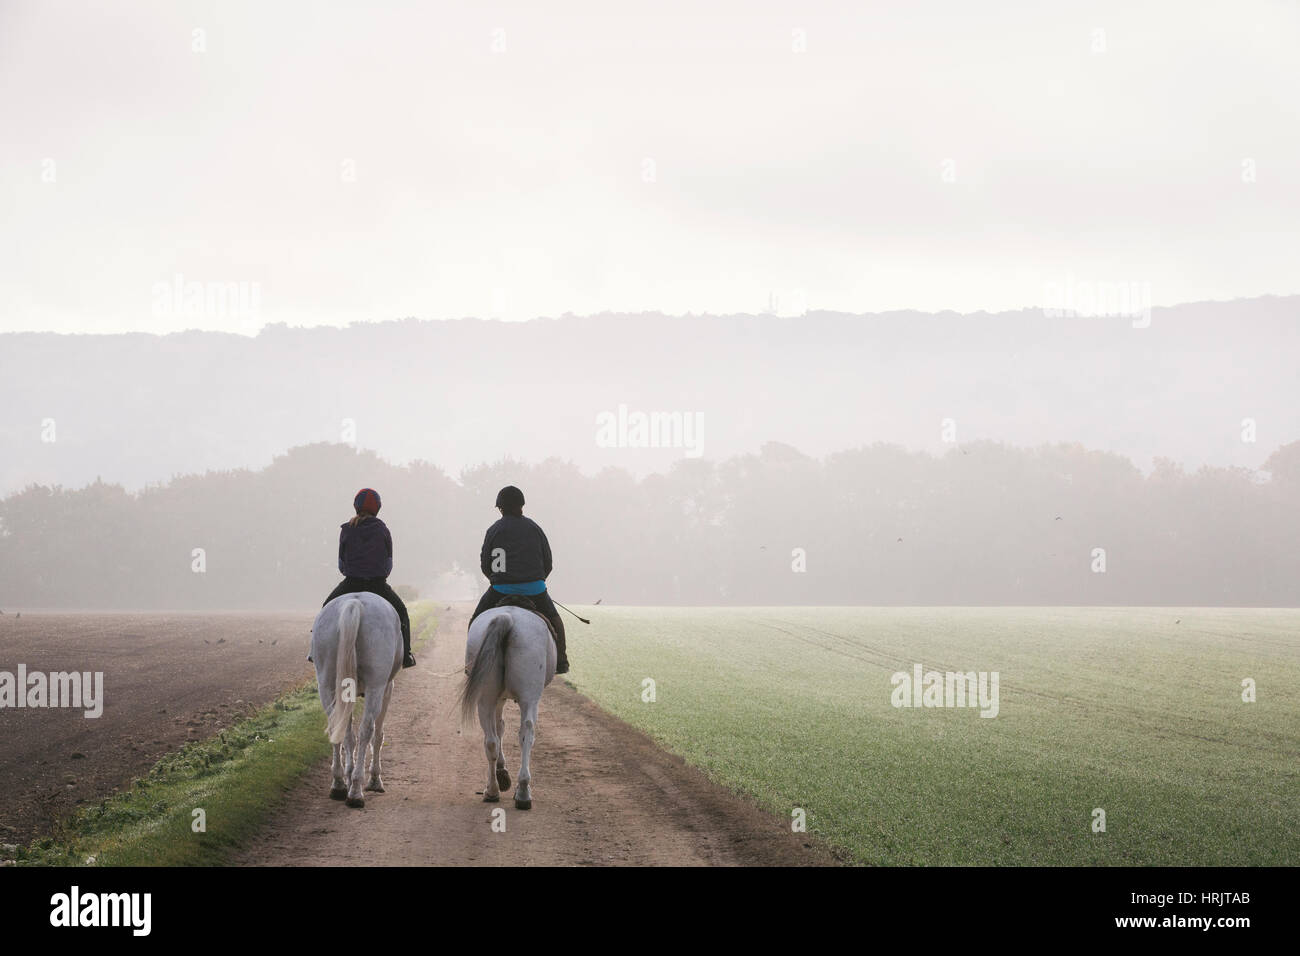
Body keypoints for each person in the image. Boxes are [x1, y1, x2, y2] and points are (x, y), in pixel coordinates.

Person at [470, 485, 569, 673]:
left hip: (500, 590)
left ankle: (472, 663)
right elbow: (548, 563)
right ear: (521, 505)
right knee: (556, 622)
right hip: (535, 590)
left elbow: (485, 564)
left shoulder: (494, 530)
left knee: (475, 620)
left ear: (501, 508)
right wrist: (535, 582)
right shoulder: (534, 528)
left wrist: (499, 580)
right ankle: (561, 660)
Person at [317, 488, 416, 668]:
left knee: (325, 609)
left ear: (356, 506)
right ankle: (406, 655)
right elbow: (388, 563)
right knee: (402, 613)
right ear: (377, 508)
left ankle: (314, 652)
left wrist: (353, 572)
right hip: (377, 584)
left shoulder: (346, 529)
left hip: (350, 583)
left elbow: (341, 563)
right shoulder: (383, 529)